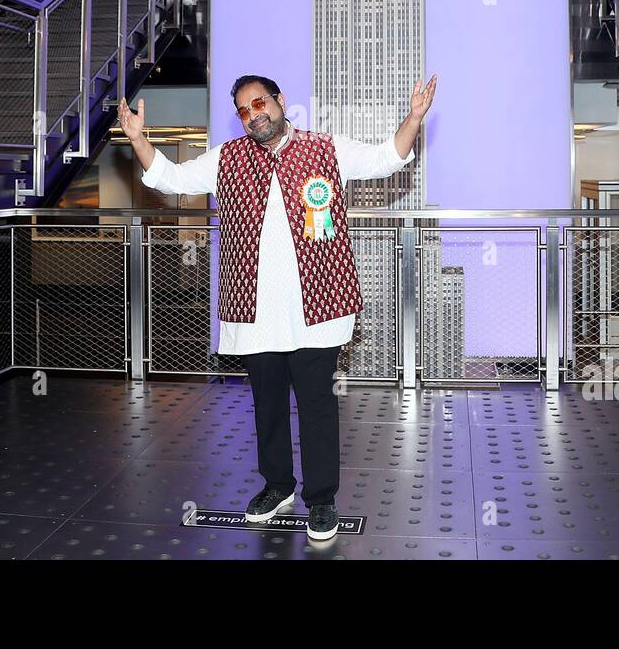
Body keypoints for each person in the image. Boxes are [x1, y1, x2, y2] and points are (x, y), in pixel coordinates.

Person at [120, 73, 438, 541]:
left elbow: (385, 158)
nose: (254, 115)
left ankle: (323, 499)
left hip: (318, 305)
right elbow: (173, 179)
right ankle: (277, 486)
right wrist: (139, 140)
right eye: (244, 111)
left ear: (279, 101)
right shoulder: (228, 158)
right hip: (255, 310)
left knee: (316, 407)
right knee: (266, 405)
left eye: (259, 103)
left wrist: (413, 119)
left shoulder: (325, 149)